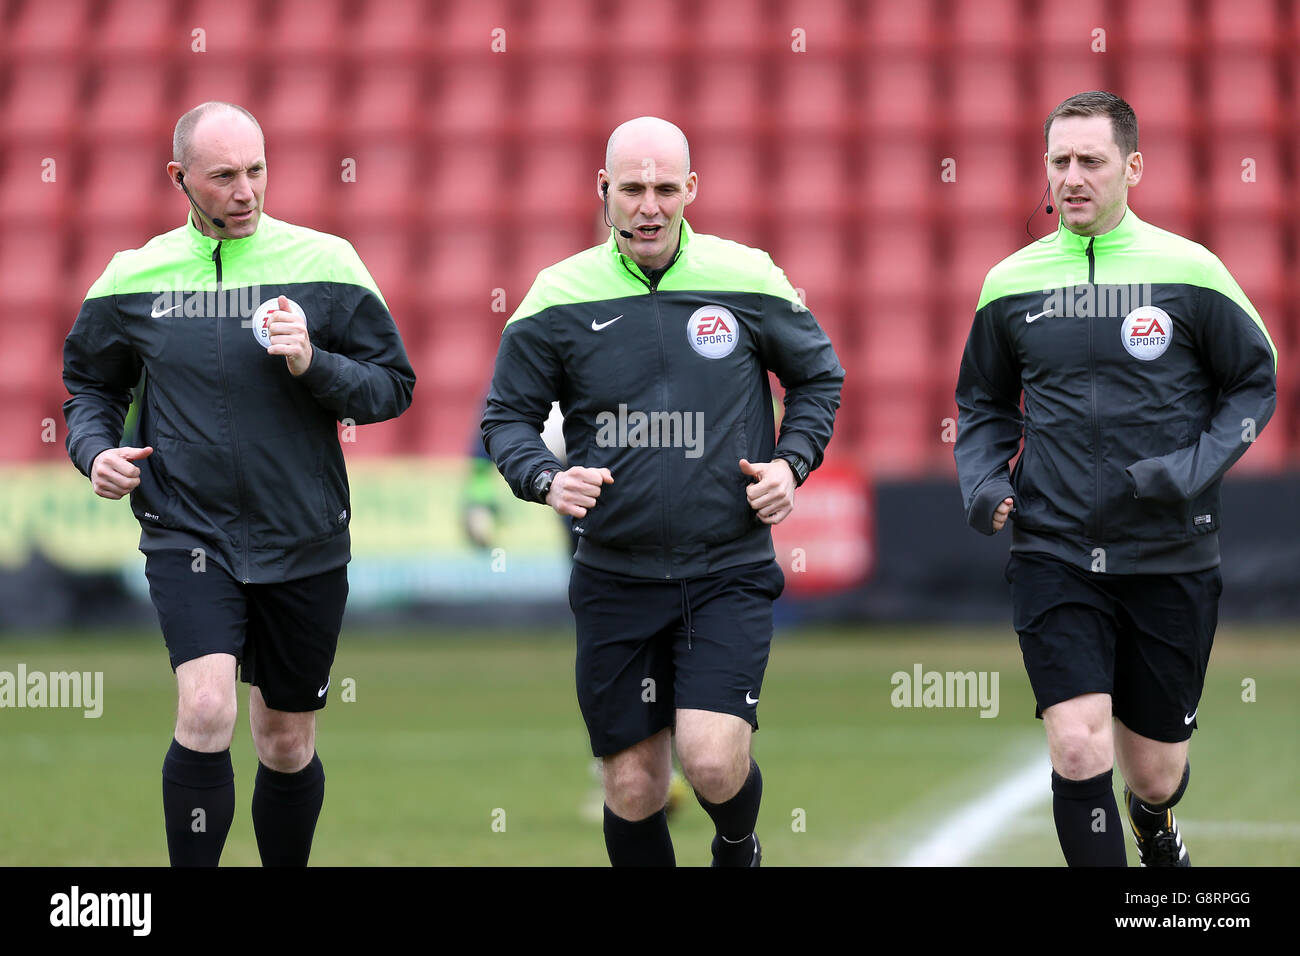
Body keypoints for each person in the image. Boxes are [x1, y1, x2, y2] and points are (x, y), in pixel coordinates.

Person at [481, 116, 844, 866]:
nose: (650, 206)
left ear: (692, 191)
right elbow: (505, 419)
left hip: (726, 569)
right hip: (615, 575)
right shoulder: (556, 296)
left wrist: (791, 463)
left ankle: (737, 844)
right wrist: (546, 479)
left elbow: (817, 377)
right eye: (634, 189)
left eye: (666, 189)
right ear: (604, 191)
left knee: (711, 760)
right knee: (634, 787)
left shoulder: (748, 278)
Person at [62, 101, 415, 866]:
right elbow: (89, 390)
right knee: (207, 706)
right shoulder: (133, 277)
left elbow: (391, 387)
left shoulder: (328, 263)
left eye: (257, 171)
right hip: (189, 534)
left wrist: (313, 362)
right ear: (178, 177)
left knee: (285, 741)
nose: (246, 190)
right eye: (224, 176)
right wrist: (95, 452)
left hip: (306, 536)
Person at [955, 91, 1277, 866]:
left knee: (1157, 771)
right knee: (1075, 742)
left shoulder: (1191, 271)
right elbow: (982, 402)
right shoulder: (1009, 284)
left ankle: (1156, 826)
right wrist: (983, 482)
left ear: (1131, 167)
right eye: (1059, 161)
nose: (1072, 176)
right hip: (1054, 551)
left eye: (1090, 161)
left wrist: (1192, 471)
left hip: (1170, 556)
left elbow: (1254, 384)